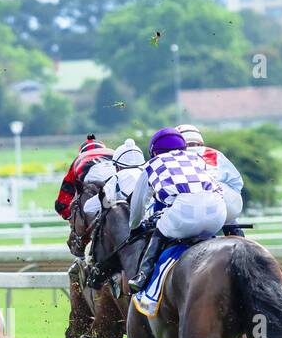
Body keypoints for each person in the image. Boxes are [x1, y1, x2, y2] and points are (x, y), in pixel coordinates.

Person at [127, 128, 227, 294]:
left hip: (184, 214)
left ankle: (143, 275)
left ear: (154, 151)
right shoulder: (197, 158)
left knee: (160, 229)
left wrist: (134, 226)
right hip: (218, 212)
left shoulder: (151, 165)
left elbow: (138, 203)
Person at [176, 124, 245, 230]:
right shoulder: (214, 153)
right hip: (227, 205)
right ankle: (236, 232)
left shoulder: (174, 156)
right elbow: (237, 182)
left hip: (192, 209)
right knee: (229, 214)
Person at [54, 135, 115, 220]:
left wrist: (66, 213)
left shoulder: (79, 158)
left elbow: (65, 197)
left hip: (92, 180)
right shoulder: (112, 152)